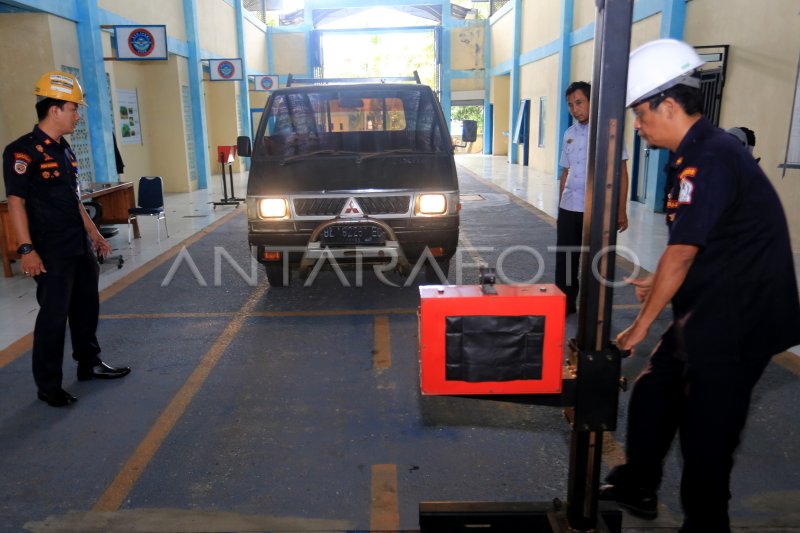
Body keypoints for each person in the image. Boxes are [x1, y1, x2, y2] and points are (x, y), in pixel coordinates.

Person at [601, 39, 800, 532]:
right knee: (654, 393)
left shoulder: (711, 156)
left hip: (741, 317)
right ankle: (638, 484)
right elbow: (700, 237)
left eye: (640, 113)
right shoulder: (693, 154)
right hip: (711, 304)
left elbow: (685, 251)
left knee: (707, 432)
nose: (638, 124)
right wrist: (659, 279)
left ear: (668, 105)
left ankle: (707, 523)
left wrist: (640, 326)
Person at [2, 71, 131, 408]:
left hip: (77, 243)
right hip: (50, 248)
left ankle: (89, 363)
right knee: (54, 316)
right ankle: (49, 385)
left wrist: (94, 233)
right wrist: (26, 249)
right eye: (74, 109)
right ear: (54, 109)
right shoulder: (21, 151)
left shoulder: (64, 149)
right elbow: (15, 203)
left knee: (86, 307)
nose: (77, 116)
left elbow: (73, 198)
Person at [556, 81, 629, 314]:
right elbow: (565, 172)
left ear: (591, 101)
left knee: (595, 260)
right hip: (569, 206)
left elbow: (622, 172)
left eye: (579, 102)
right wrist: (560, 207)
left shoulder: (608, 133)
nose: (575, 109)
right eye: (570, 105)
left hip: (596, 208)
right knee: (566, 259)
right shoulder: (569, 134)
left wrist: (620, 210)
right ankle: (566, 303)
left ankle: (593, 308)